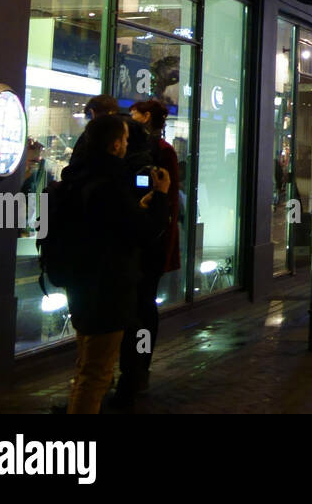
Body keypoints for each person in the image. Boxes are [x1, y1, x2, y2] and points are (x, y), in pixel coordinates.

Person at [59, 114, 171, 414]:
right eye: (124, 137)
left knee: (88, 365)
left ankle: (134, 376)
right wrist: (159, 199)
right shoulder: (109, 184)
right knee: (96, 374)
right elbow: (142, 233)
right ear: (115, 145)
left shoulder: (74, 178)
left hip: (79, 283)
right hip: (108, 287)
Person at [111, 98, 182, 408]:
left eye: (136, 115)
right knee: (137, 309)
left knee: (143, 311)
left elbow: (166, 201)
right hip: (137, 241)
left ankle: (139, 365)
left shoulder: (162, 152)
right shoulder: (133, 155)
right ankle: (133, 367)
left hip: (151, 244)